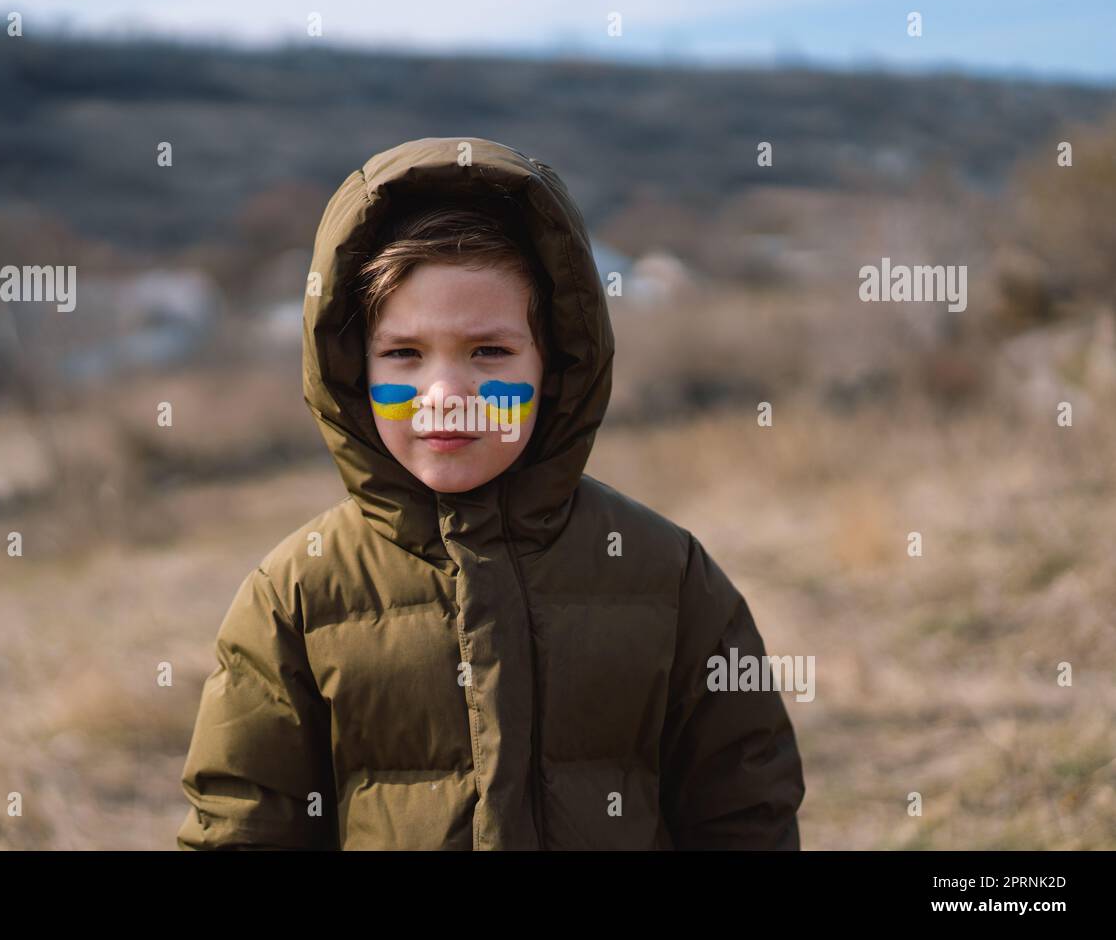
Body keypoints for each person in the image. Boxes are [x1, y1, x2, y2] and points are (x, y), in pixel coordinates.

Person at [177, 136, 805, 850]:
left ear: (556, 363)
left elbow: (746, 812)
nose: (445, 395)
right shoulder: (293, 596)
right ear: (352, 371)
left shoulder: (668, 575)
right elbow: (241, 827)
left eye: (489, 352)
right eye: (404, 355)